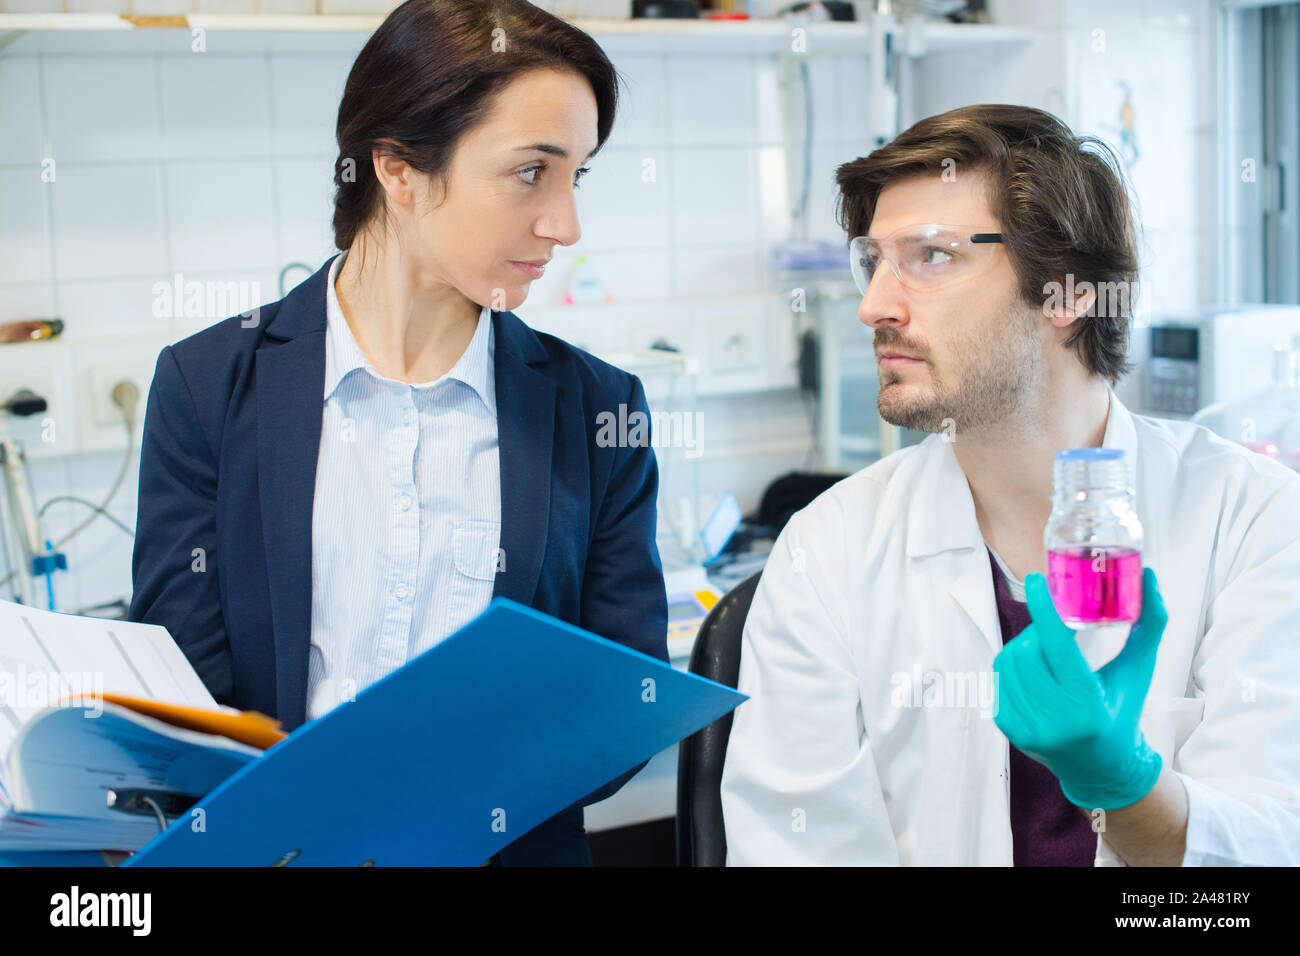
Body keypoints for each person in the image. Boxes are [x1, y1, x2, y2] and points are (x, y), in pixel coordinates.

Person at [128, 0, 668, 866]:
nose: (566, 224)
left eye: (579, 177)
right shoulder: (208, 387)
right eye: (533, 171)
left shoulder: (597, 407)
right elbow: (185, 702)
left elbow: (624, 700)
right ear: (399, 168)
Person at [720, 104, 1300, 866]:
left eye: (932, 257)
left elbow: (1269, 847)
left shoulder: (1254, 520)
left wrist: (1124, 791)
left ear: (1069, 292)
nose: (874, 307)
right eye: (874, 261)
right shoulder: (825, 553)